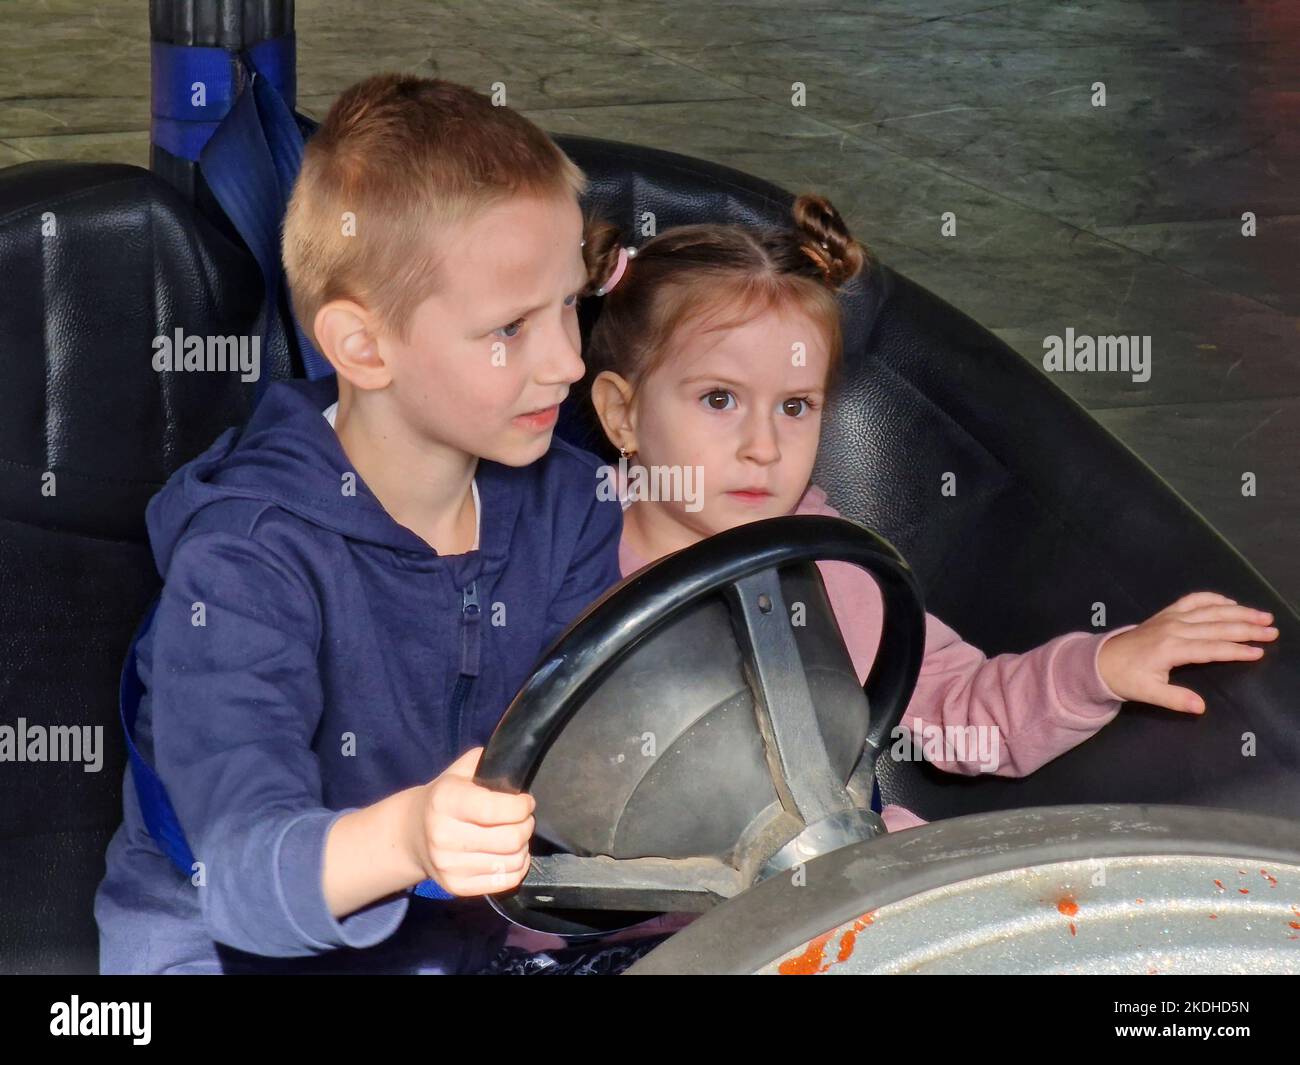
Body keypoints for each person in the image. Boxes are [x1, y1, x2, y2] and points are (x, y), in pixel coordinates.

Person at [94, 73, 626, 974]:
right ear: (363, 347)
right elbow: (237, 869)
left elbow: (604, 742)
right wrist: (412, 837)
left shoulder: (567, 506)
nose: (569, 362)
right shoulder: (247, 557)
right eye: (510, 328)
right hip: (220, 946)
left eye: (572, 303)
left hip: (464, 937)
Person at [580, 193, 1280, 837]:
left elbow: (957, 709)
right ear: (622, 413)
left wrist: (1098, 667)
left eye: (795, 407)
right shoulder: (554, 552)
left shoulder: (827, 565)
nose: (763, 448)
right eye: (719, 399)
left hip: (831, 889)